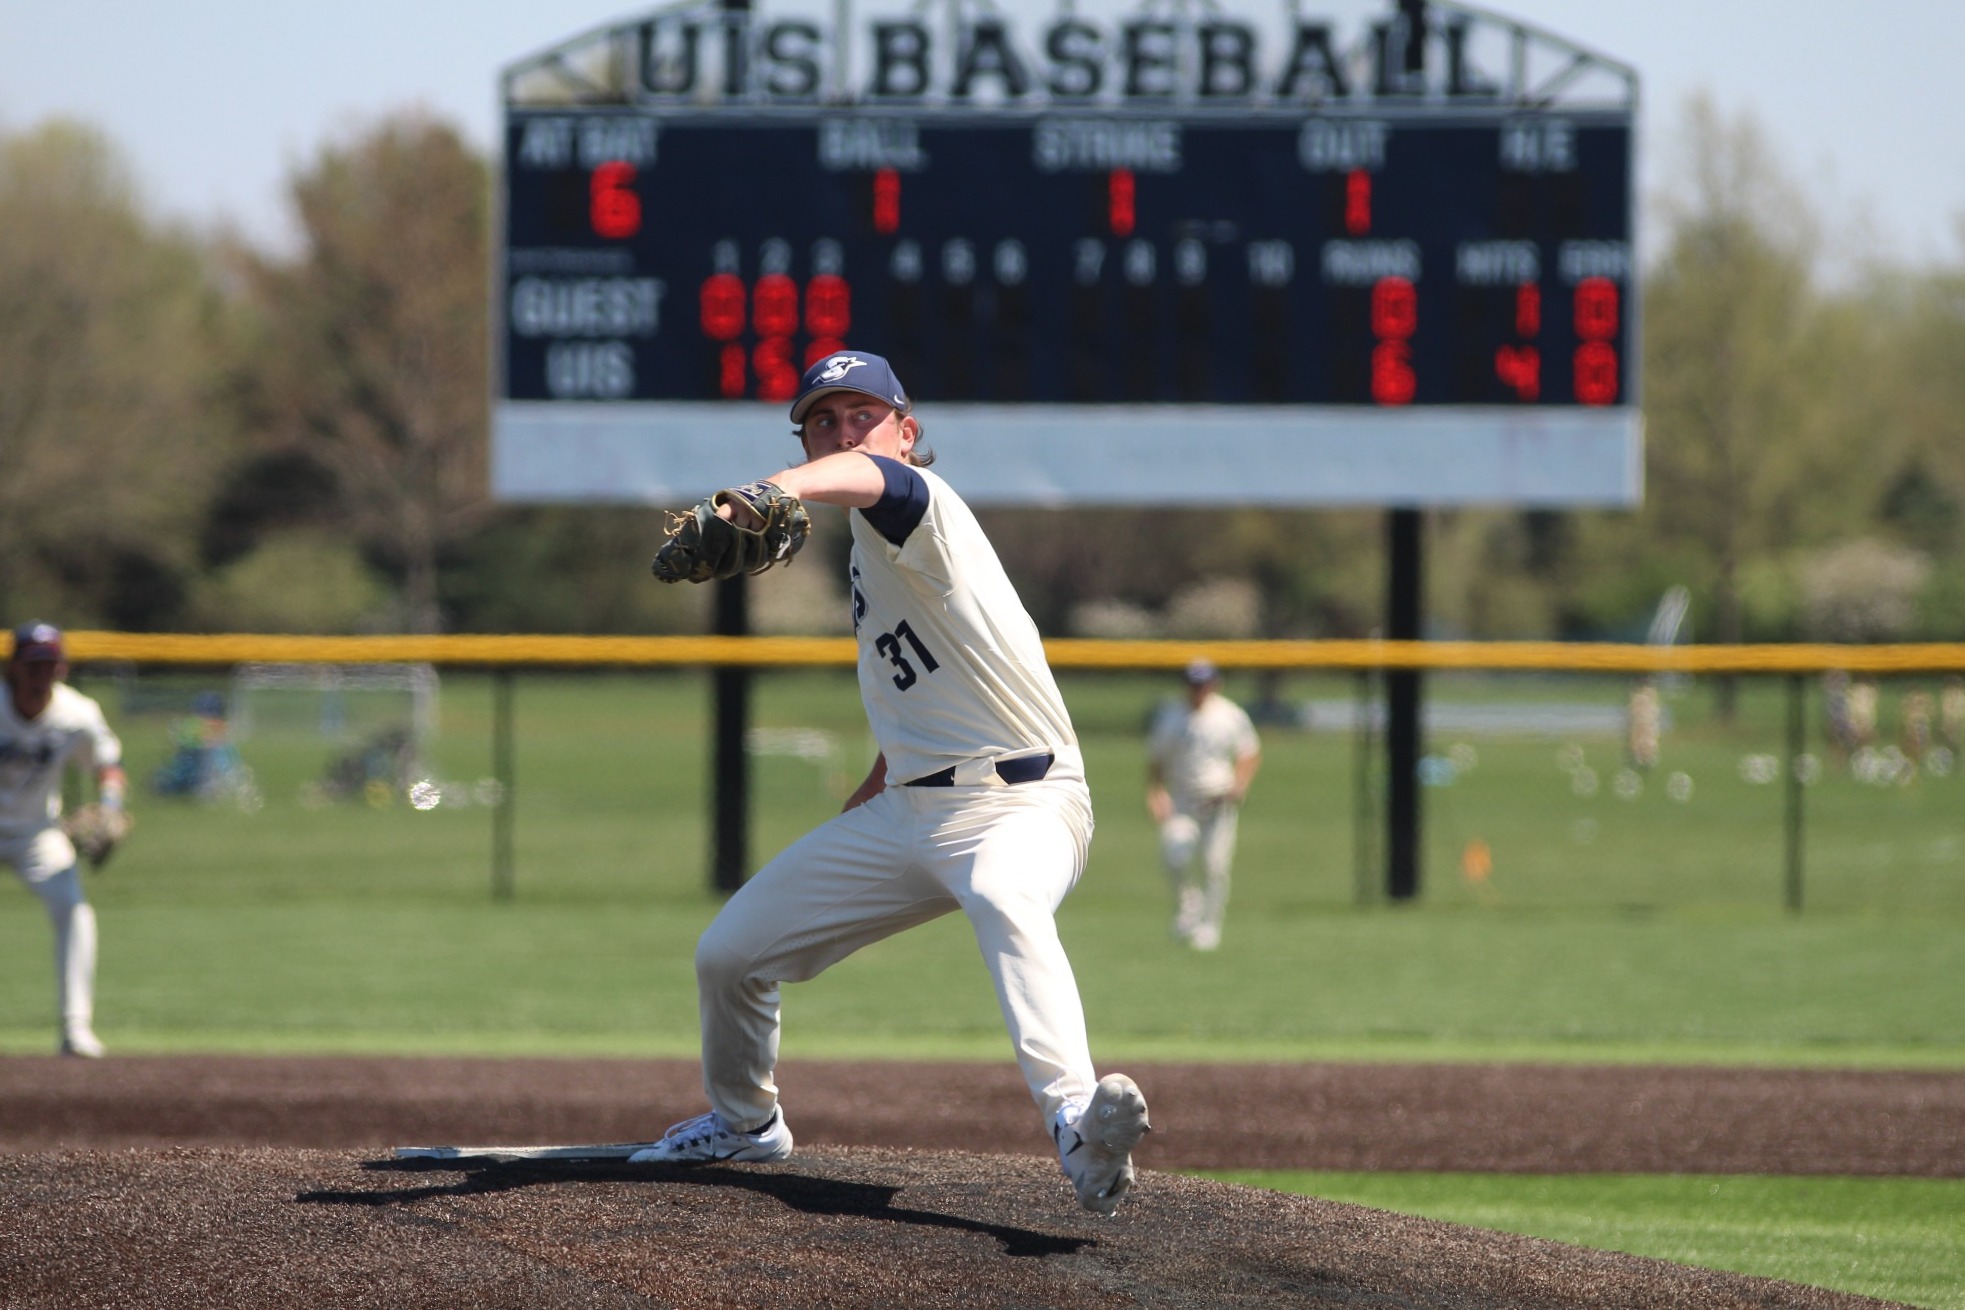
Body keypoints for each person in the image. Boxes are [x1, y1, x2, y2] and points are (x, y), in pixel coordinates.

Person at [632, 350, 1151, 1215]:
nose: (843, 431)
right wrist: (880, 776)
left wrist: (774, 489)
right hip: (908, 805)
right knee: (728, 955)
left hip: (1020, 800)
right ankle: (744, 1122)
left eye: (861, 416)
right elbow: (918, 680)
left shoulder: (927, 509)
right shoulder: (873, 553)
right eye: (821, 419)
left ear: (906, 434)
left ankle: (1076, 1128)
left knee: (1000, 893)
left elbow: (870, 478)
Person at [1, 623, 126, 1057]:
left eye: (49, 664)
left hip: (35, 832)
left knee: (73, 907)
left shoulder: (77, 713)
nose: (41, 673)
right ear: (14, 667)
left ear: (63, 668)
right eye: (33, 664)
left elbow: (107, 764)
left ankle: (76, 1028)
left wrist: (109, 806)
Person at [1145, 658, 1261, 952]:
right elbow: (1156, 759)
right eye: (1193, 685)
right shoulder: (1171, 716)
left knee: (1215, 864)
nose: (1198, 690)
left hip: (1217, 799)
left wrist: (1239, 784)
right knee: (1174, 854)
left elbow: (1249, 751)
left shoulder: (1229, 715)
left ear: (1214, 685)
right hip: (1183, 798)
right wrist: (1156, 793)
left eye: (1204, 684)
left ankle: (1210, 925)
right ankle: (1188, 906)